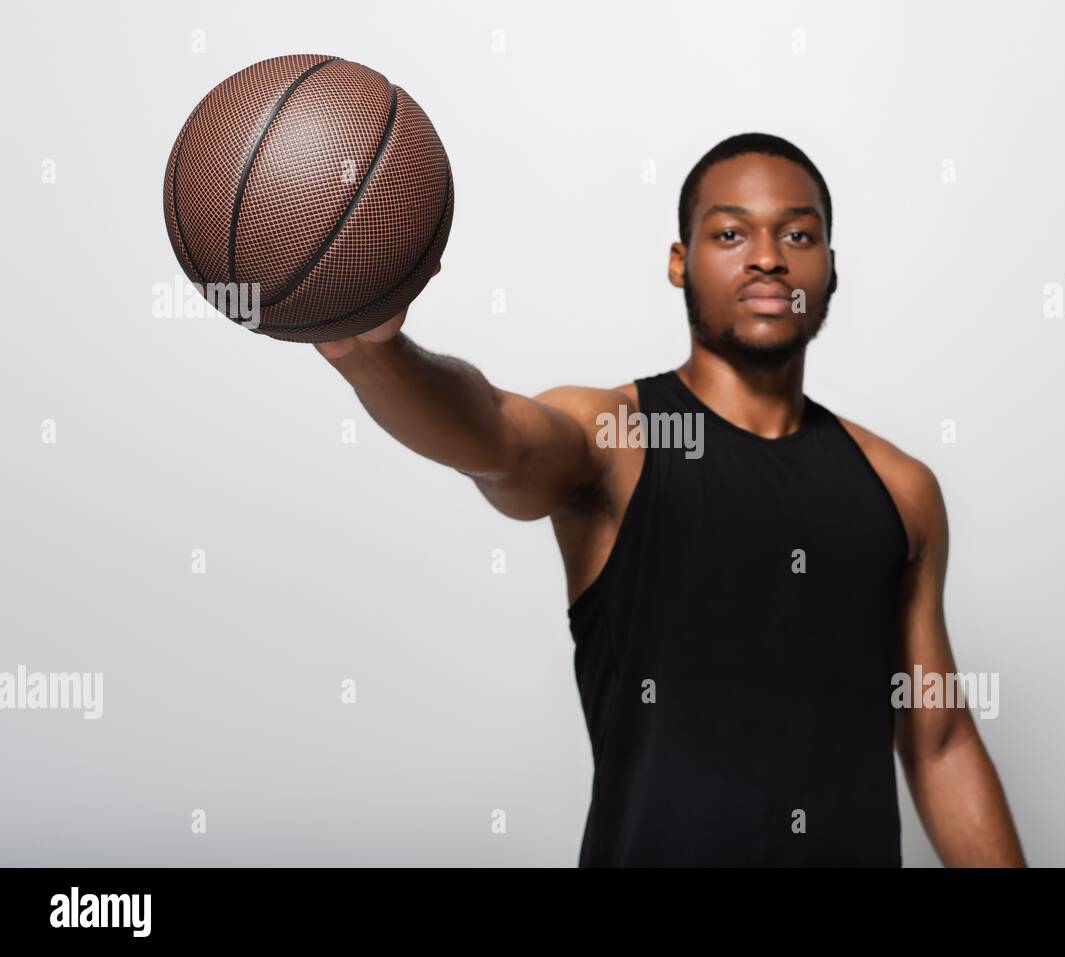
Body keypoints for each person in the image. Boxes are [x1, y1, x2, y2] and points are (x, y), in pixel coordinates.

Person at [315, 133, 1026, 867]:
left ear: (831, 268)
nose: (767, 255)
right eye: (729, 232)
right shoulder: (618, 438)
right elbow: (497, 434)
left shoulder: (902, 488)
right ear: (679, 262)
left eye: (798, 233)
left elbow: (940, 742)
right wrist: (370, 350)